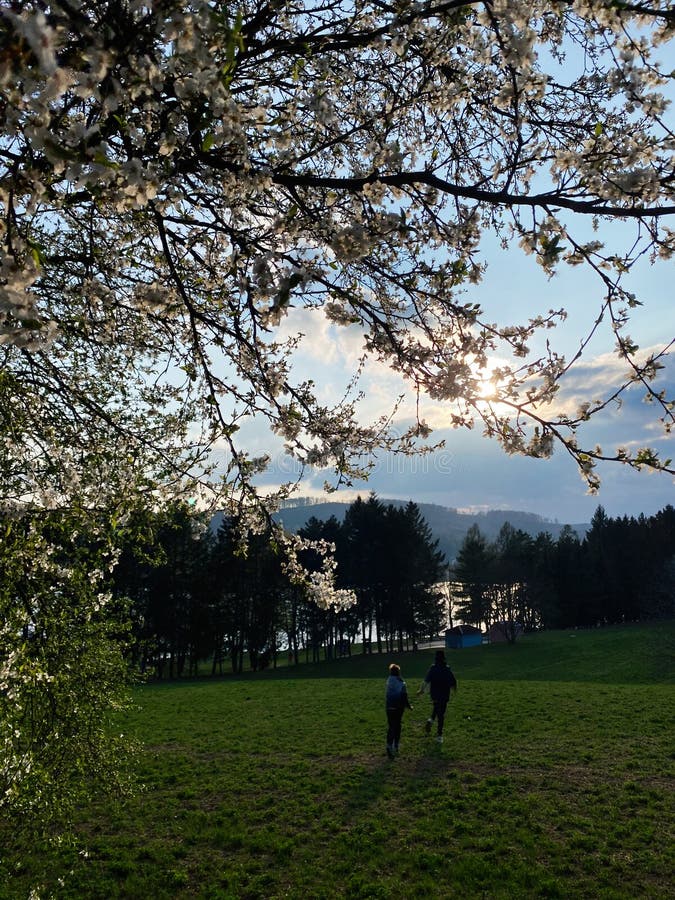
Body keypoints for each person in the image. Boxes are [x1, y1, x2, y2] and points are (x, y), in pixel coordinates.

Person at [418, 649, 457, 743]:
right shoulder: (447, 668)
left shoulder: (433, 668)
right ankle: (439, 735)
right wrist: (454, 689)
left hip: (434, 694)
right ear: (444, 658)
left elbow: (426, 680)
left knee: (436, 707)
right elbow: (453, 681)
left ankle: (430, 720)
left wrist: (421, 690)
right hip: (444, 694)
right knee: (441, 714)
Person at [385, 663, 413, 758]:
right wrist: (409, 706)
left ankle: (389, 744)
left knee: (391, 726)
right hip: (398, 707)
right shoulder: (401, 682)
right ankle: (396, 745)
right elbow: (404, 696)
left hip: (389, 706)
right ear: (398, 672)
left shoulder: (388, 681)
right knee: (398, 725)